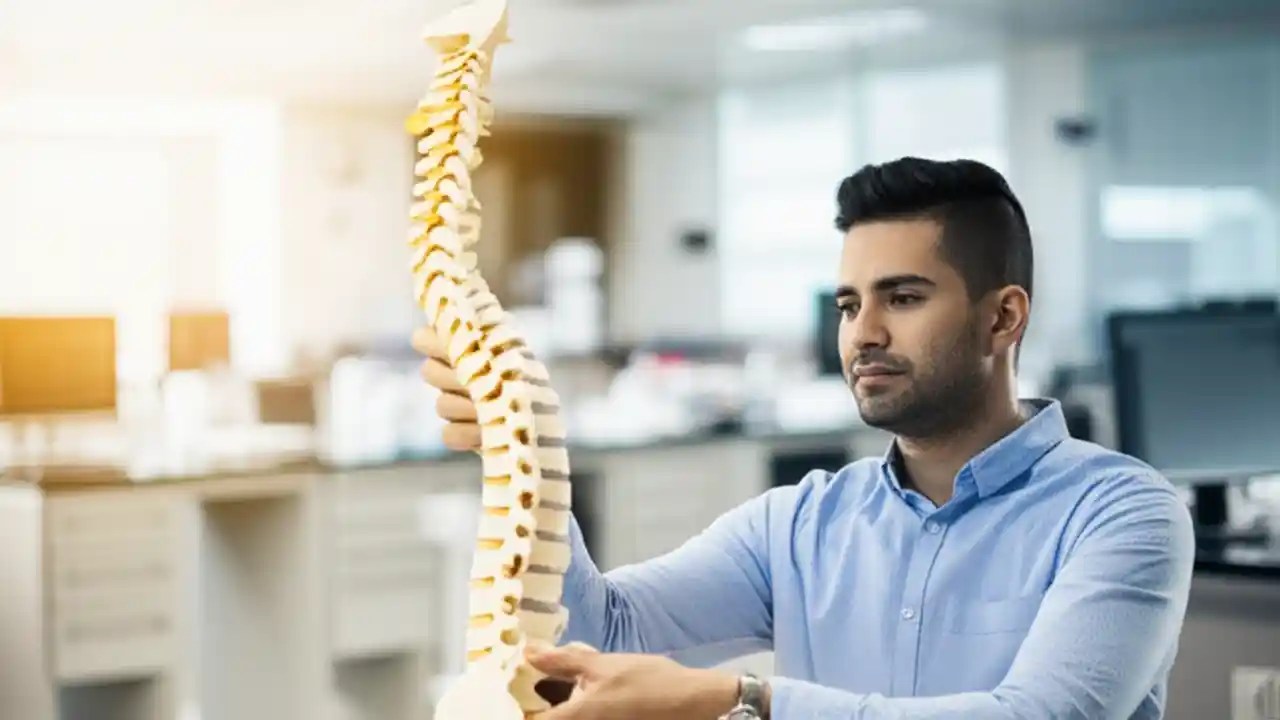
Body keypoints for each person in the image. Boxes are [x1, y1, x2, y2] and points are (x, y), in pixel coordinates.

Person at [413, 157, 1196, 719]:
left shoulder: (1122, 513)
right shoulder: (798, 525)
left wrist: (743, 698)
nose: (866, 334)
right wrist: (524, 445)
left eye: (905, 297)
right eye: (849, 305)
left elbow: (1042, 717)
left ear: (1004, 317)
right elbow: (603, 631)